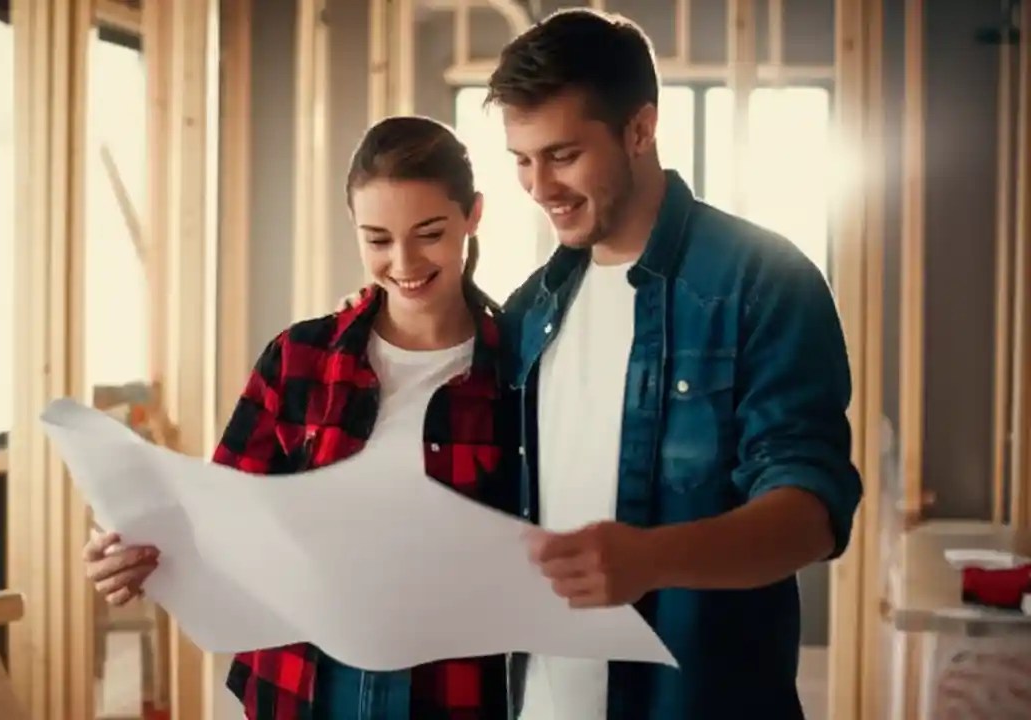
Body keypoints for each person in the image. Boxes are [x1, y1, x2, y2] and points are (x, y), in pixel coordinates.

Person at [487, 8, 863, 720]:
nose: (539, 186)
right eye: (521, 160)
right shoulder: (529, 310)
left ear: (639, 130)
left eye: (563, 155)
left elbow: (810, 515)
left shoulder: (761, 280)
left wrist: (650, 558)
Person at [82, 116, 518, 719]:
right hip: (305, 682)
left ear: (473, 215)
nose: (403, 261)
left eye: (429, 233)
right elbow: (221, 509)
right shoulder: (301, 358)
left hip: (451, 690)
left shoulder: (517, 372)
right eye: (377, 239)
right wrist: (131, 546)